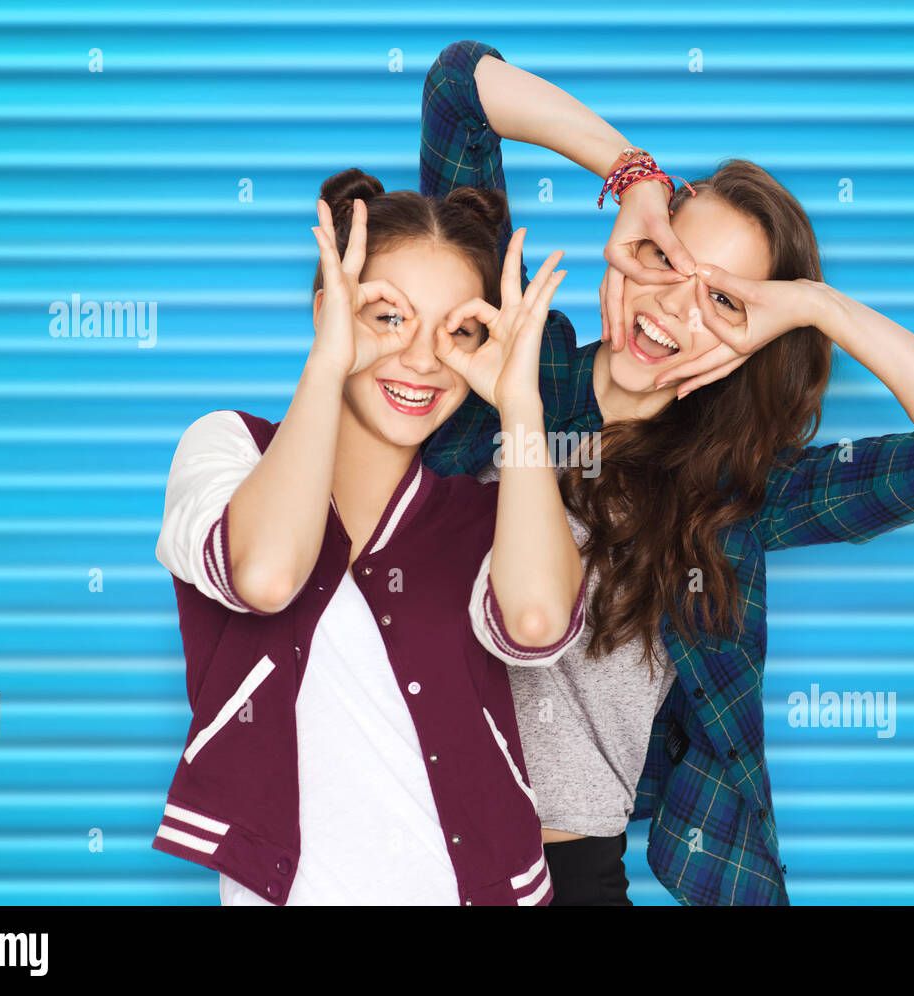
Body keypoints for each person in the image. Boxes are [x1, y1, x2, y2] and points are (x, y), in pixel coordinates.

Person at [419, 40, 914, 905]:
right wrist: (633, 175)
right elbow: (459, 90)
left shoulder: (734, 493)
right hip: (387, 841)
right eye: (670, 260)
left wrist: (816, 309)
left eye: (726, 300)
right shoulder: (512, 357)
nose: (676, 306)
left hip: (565, 874)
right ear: (630, 247)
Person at [150, 167, 587, 905]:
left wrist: (520, 403)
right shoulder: (228, 448)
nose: (420, 358)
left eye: (459, 331)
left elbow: (539, 624)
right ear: (330, 309)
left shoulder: (486, 512)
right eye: (389, 316)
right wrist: (328, 360)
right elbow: (265, 574)